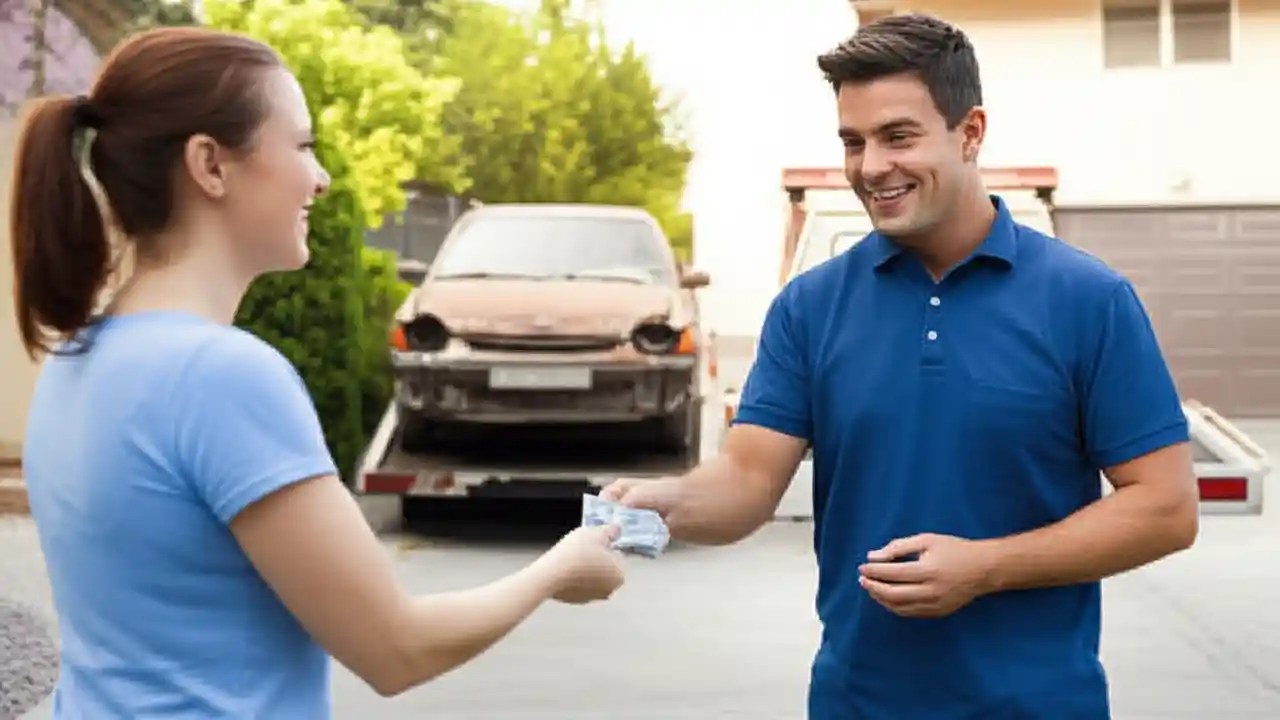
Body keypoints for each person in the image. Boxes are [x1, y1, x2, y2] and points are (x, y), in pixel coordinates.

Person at [11, 26, 625, 719]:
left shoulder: (77, 360)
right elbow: (397, 649)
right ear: (210, 165)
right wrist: (558, 570)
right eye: (302, 145)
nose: (321, 176)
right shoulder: (221, 377)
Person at [602, 13, 1199, 719]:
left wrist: (986, 568)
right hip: (856, 703)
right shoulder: (809, 307)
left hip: (1040, 705)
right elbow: (746, 483)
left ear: (970, 132)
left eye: (897, 136)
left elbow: (1165, 509)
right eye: (853, 143)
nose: (870, 166)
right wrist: (662, 504)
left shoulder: (1088, 301)